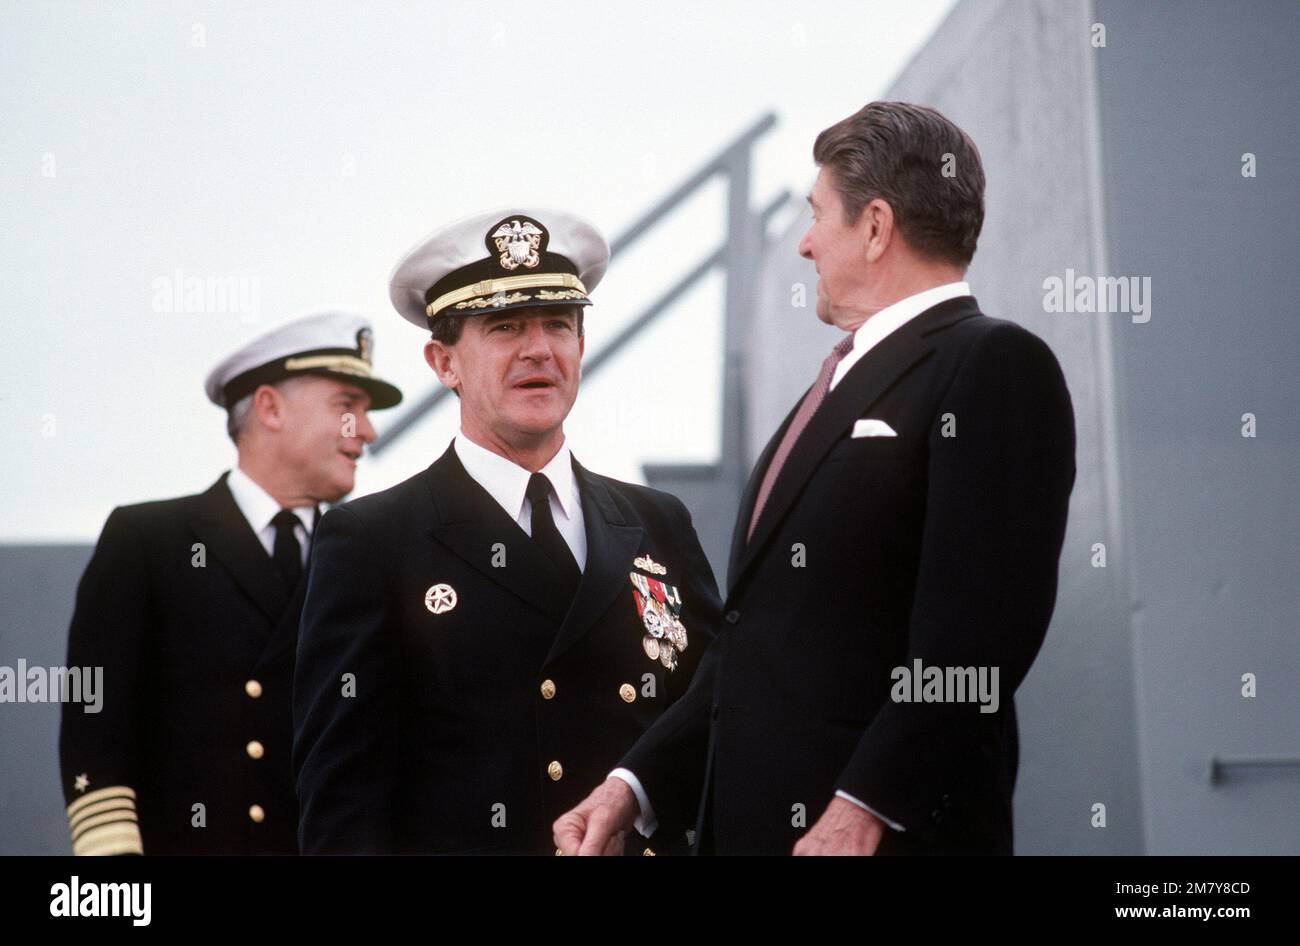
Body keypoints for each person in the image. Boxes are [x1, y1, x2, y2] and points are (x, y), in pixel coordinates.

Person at [555, 101, 1077, 856]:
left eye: (816, 216)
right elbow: (754, 646)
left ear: (874, 227)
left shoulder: (993, 365)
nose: (803, 245)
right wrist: (631, 784)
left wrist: (866, 804)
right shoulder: (828, 393)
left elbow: (980, 638)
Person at [292, 208, 721, 855]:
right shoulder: (374, 541)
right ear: (444, 362)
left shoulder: (657, 522)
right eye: (504, 327)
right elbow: (342, 802)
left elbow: (718, 712)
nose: (538, 350)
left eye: (558, 324)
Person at [59, 312, 402, 855]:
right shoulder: (151, 540)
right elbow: (96, 727)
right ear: (269, 407)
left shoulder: (372, 555)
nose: (367, 430)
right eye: (347, 407)